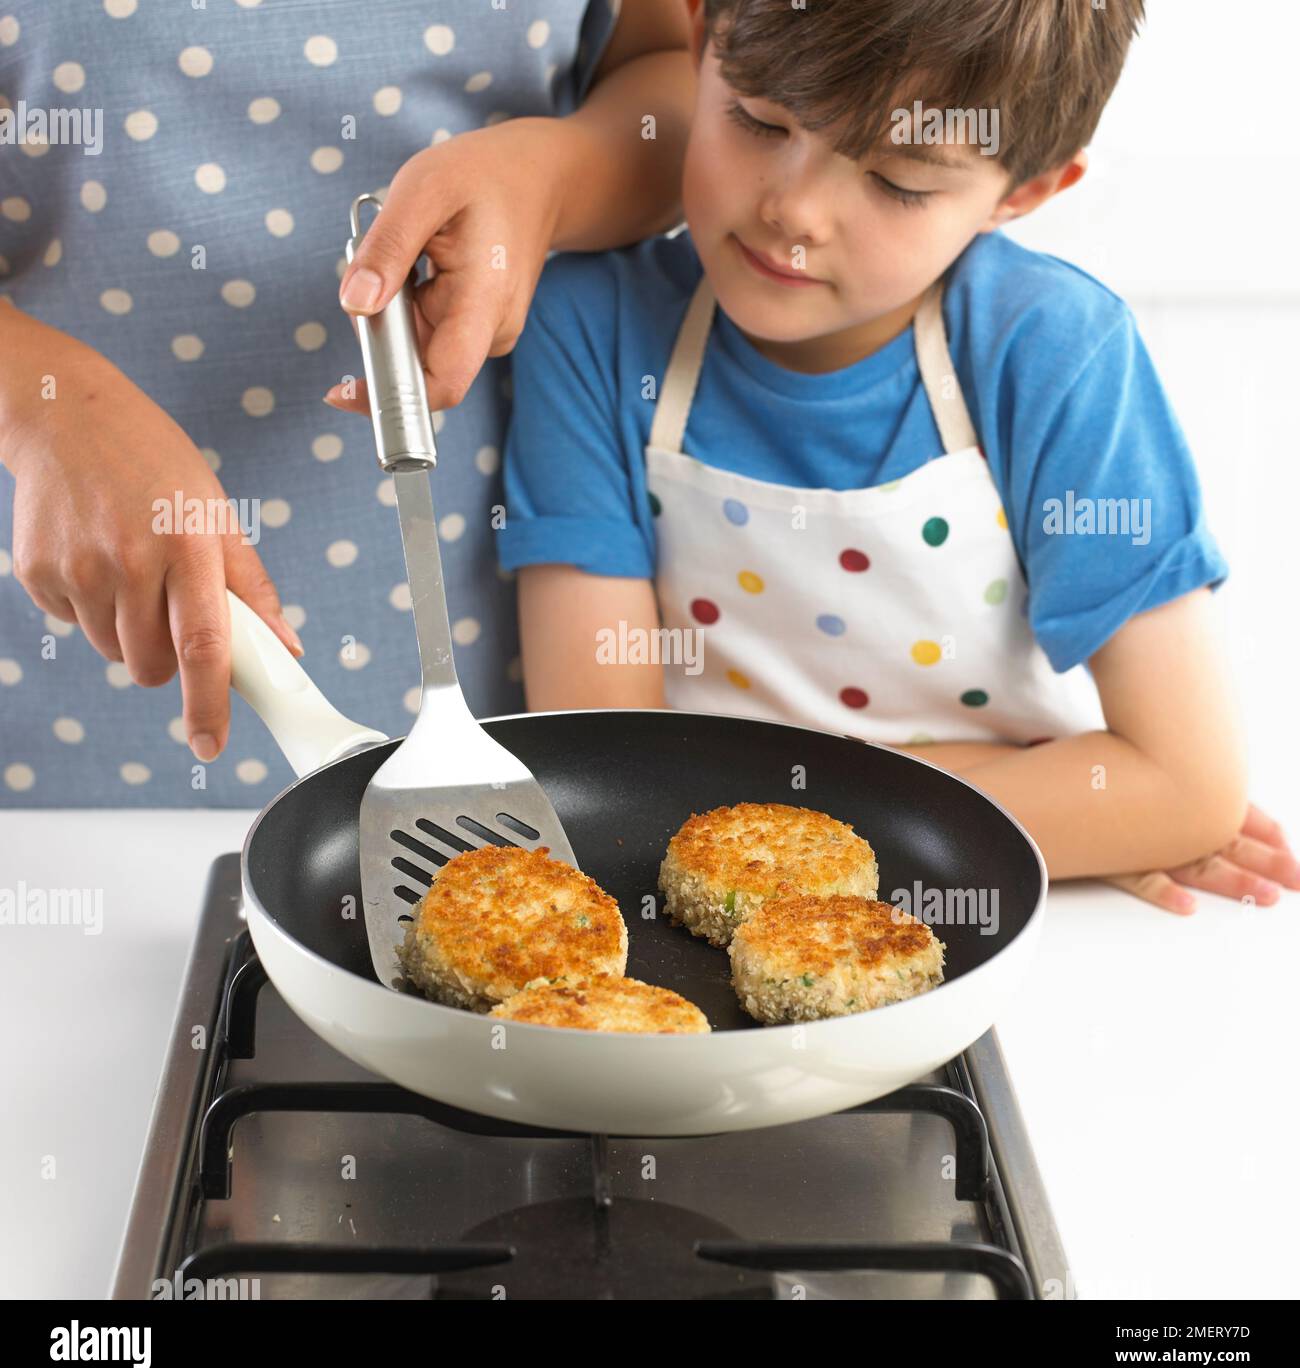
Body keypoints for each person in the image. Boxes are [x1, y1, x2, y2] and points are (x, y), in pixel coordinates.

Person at [497, 0, 1300, 914]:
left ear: (1025, 192)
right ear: (697, 43)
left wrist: (785, 831)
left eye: (898, 180)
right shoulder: (588, 327)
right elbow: (608, 771)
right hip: (693, 920)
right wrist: (1008, 817)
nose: (793, 208)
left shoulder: (1052, 352)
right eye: (760, 121)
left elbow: (1186, 792)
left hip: (984, 923)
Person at [0, 0, 693, 805]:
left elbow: (670, 85)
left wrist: (550, 174)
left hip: (483, 628)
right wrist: (43, 409)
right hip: (59, 687)